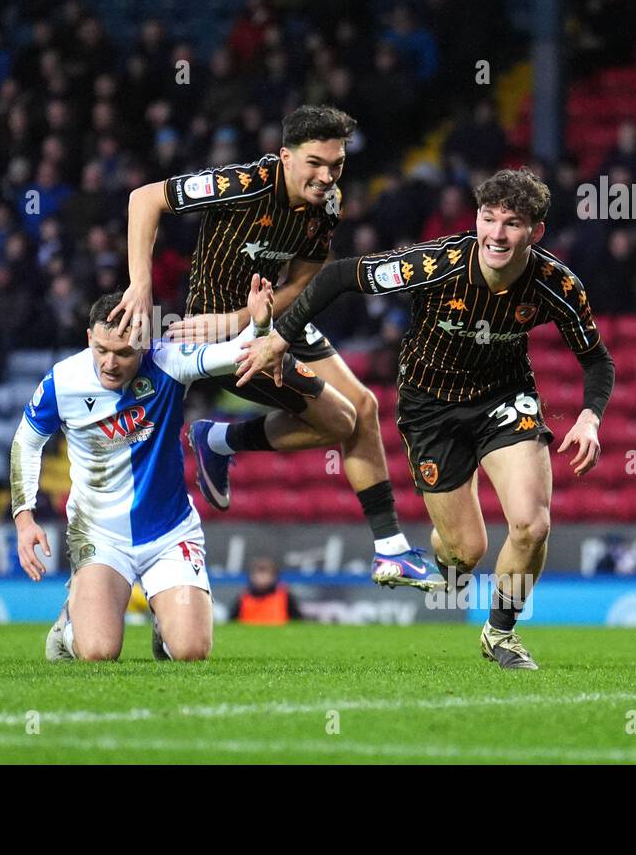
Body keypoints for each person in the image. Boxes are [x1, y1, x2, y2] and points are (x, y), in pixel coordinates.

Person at [237, 167, 615, 670]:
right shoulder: (436, 264)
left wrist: (589, 416)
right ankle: (442, 558)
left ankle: (501, 635)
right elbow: (336, 276)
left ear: (535, 232)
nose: (497, 234)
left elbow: (597, 359)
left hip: (505, 400)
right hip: (430, 408)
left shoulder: (556, 284)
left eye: (513, 223)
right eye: (489, 218)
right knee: (466, 553)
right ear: (476, 219)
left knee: (531, 524)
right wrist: (279, 339)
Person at [111, 104, 443, 592]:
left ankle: (391, 551)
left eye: (337, 165)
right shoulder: (241, 185)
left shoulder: (327, 205)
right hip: (218, 340)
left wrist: (251, 315)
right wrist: (141, 284)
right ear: (285, 156)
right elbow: (144, 199)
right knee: (341, 420)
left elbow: (307, 280)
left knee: (367, 405)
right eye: (315, 163)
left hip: (273, 321)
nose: (327, 176)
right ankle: (218, 441)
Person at [12, 275, 275, 663]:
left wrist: (259, 323)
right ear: (89, 338)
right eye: (101, 349)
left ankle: (165, 625)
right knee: (99, 652)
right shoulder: (63, 382)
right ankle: (69, 626)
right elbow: (26, 442)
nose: (110, 363)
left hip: (168, 533)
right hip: (100, 535)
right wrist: (24, 519)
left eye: (124, 353)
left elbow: (236, 353)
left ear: (145, 343)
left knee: (190, 651)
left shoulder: (168, 360)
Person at [235, 557, 303, 625]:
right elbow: (232, 621)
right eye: (258, 574)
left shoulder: (284, 596)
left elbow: (297, 620)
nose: (262, 578)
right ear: (252, 577)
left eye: (265, 574)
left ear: (273, 576)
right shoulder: (243, 597)